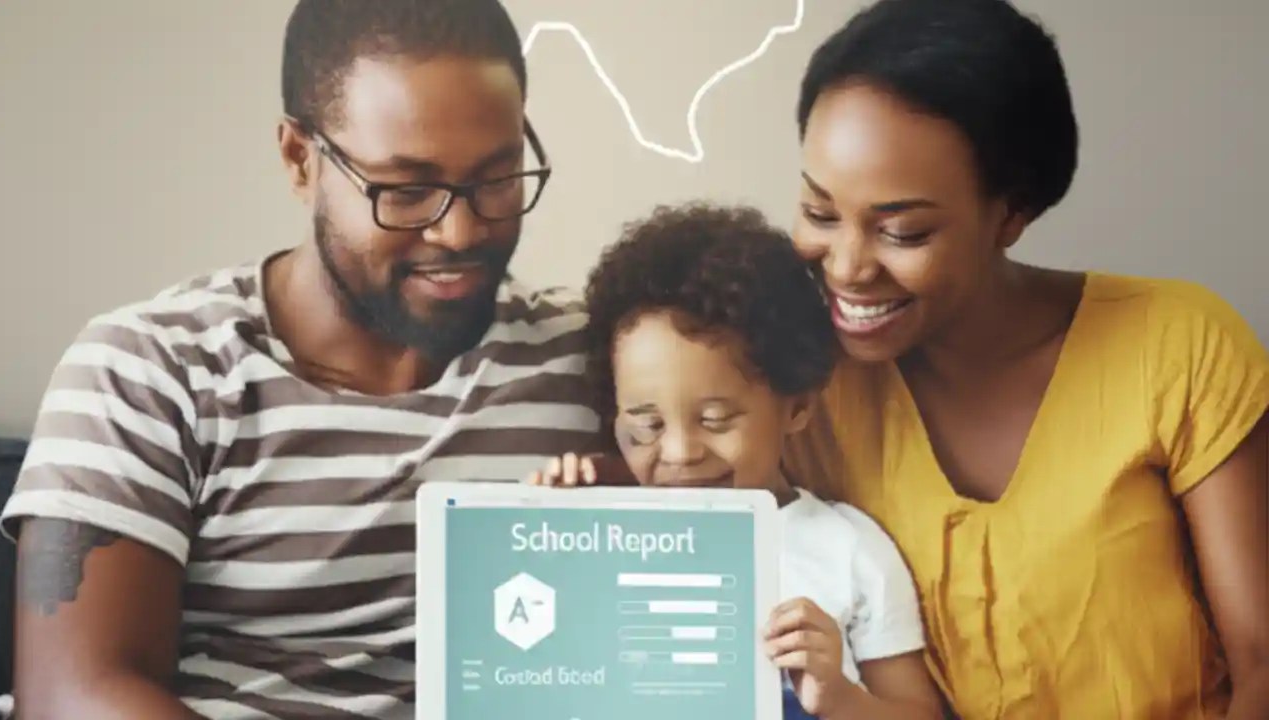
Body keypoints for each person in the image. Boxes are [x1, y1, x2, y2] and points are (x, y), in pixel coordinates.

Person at [0, 1, 610, 718]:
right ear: (298, 158)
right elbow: (72, 695)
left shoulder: (596, 360)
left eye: (497, 179)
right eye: (406, 191)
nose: (458, 231)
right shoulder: (147, 368)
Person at [780, 0, 1269, 717]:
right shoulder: (797, 386)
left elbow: (1262, 663)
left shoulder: (1179, 346)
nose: (848, 268)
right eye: (821, 213)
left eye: (904, 231)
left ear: (1013, 212)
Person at [530, 203, 945, 720]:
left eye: (716, 419)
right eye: (647, 426)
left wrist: (838, 697)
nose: (681, 453)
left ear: (796, 407)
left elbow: (919, 712)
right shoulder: (604, 536)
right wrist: (541, 534)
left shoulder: (847, 548)